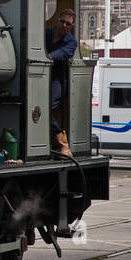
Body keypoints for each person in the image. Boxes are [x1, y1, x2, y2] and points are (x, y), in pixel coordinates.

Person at [46, 8, 77, 155]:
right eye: (62, 21)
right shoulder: (46, 34)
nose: (64, 25)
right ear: (57, 21)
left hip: (56, 80)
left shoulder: (71, 42)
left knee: (47, 108)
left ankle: (62, 142)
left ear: (72, 27)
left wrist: (47, 57)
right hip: (40, 76)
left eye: (68, 24)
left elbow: (63, 53)